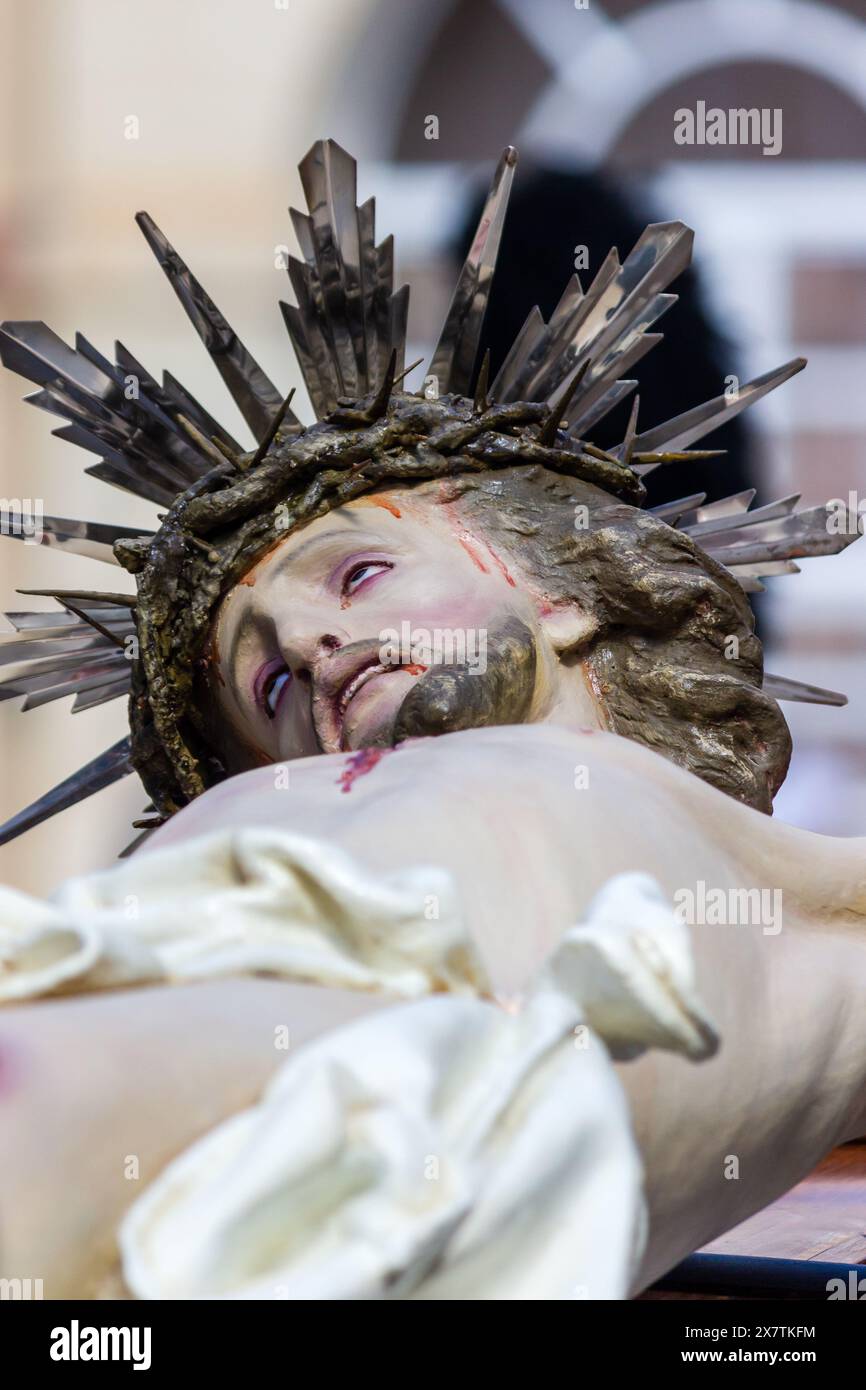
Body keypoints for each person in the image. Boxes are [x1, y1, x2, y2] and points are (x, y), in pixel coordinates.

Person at [0, 140, 863, 1300]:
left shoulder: (767, 893)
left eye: (354, 576)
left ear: (556, 587)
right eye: (263, 693)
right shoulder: (305, 806)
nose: (306, 645)